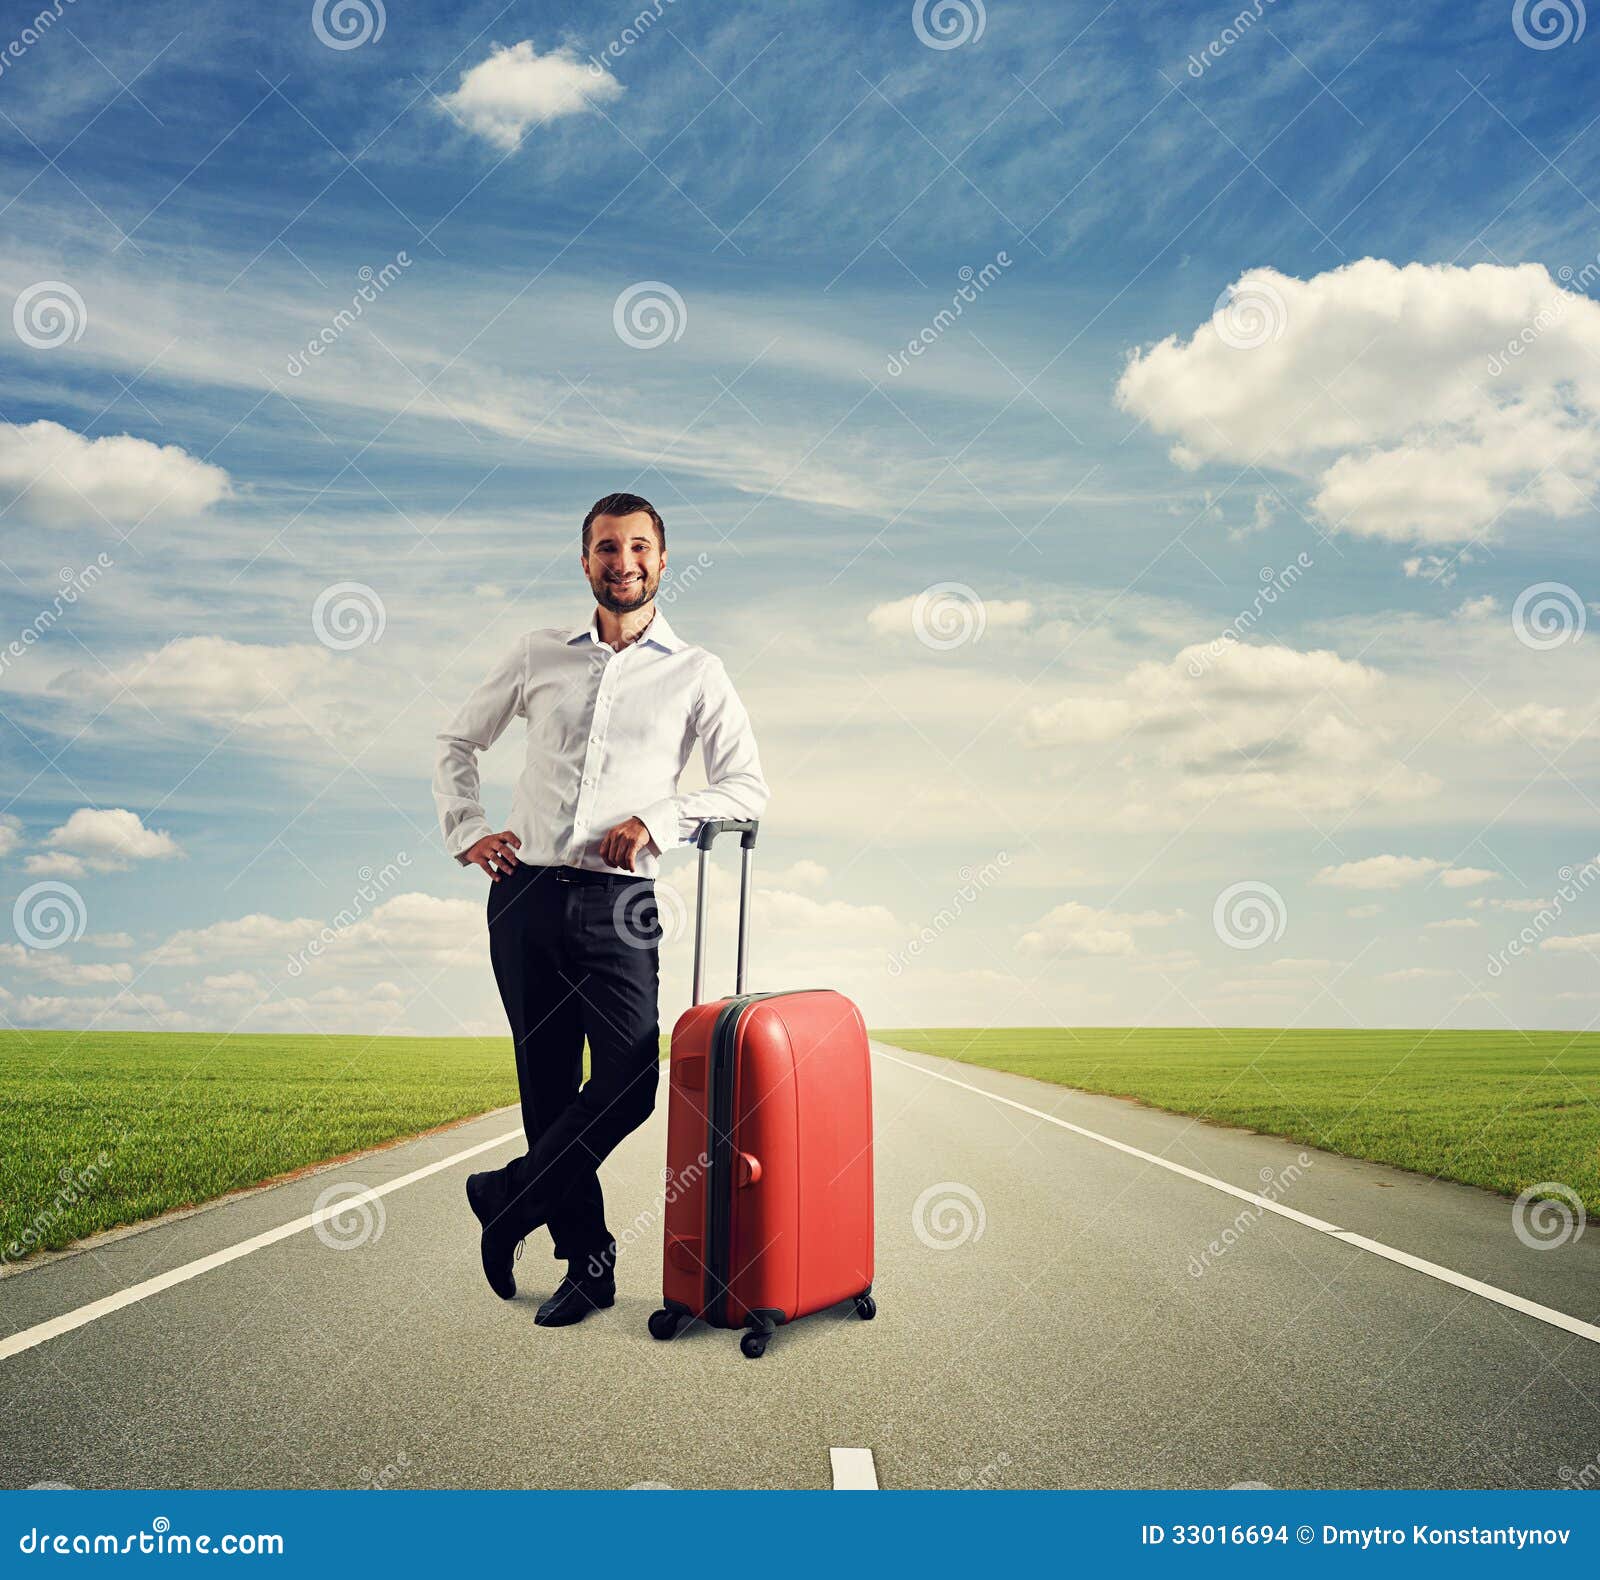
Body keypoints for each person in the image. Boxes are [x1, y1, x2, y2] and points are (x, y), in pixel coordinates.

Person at [432, 492, 770, 1327]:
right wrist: (468, 831)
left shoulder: (696, 671)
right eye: (608, 548)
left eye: (639, 547)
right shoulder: (537, 653)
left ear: (663, 558)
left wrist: (657, 819)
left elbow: (746, 788)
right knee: (547, 1091)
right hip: (524, 895)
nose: (624, 563)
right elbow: (457, 743)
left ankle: (506, 1198)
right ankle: (589, 1269)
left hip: (622, 903)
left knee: (629, 1083)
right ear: (585, 561)